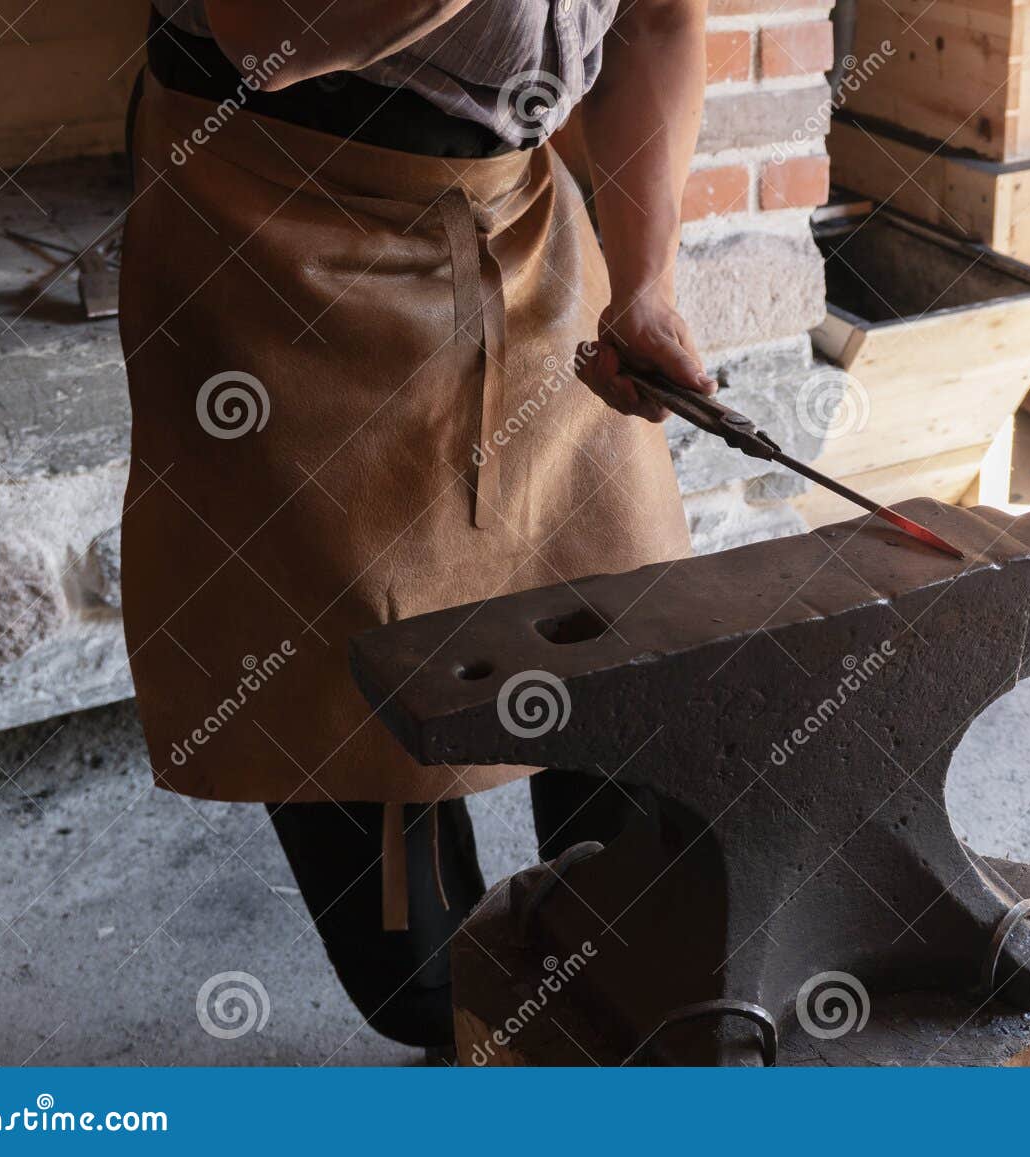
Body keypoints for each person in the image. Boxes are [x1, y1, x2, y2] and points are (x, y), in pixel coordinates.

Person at [118, 0, 711, 1054]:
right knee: (405, 921)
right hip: (274, 227)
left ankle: (595, 1021)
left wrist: (647, 282)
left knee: (632, 672)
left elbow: (658, 22)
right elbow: (265, 33)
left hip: (517, 219)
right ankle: (456, 1022)